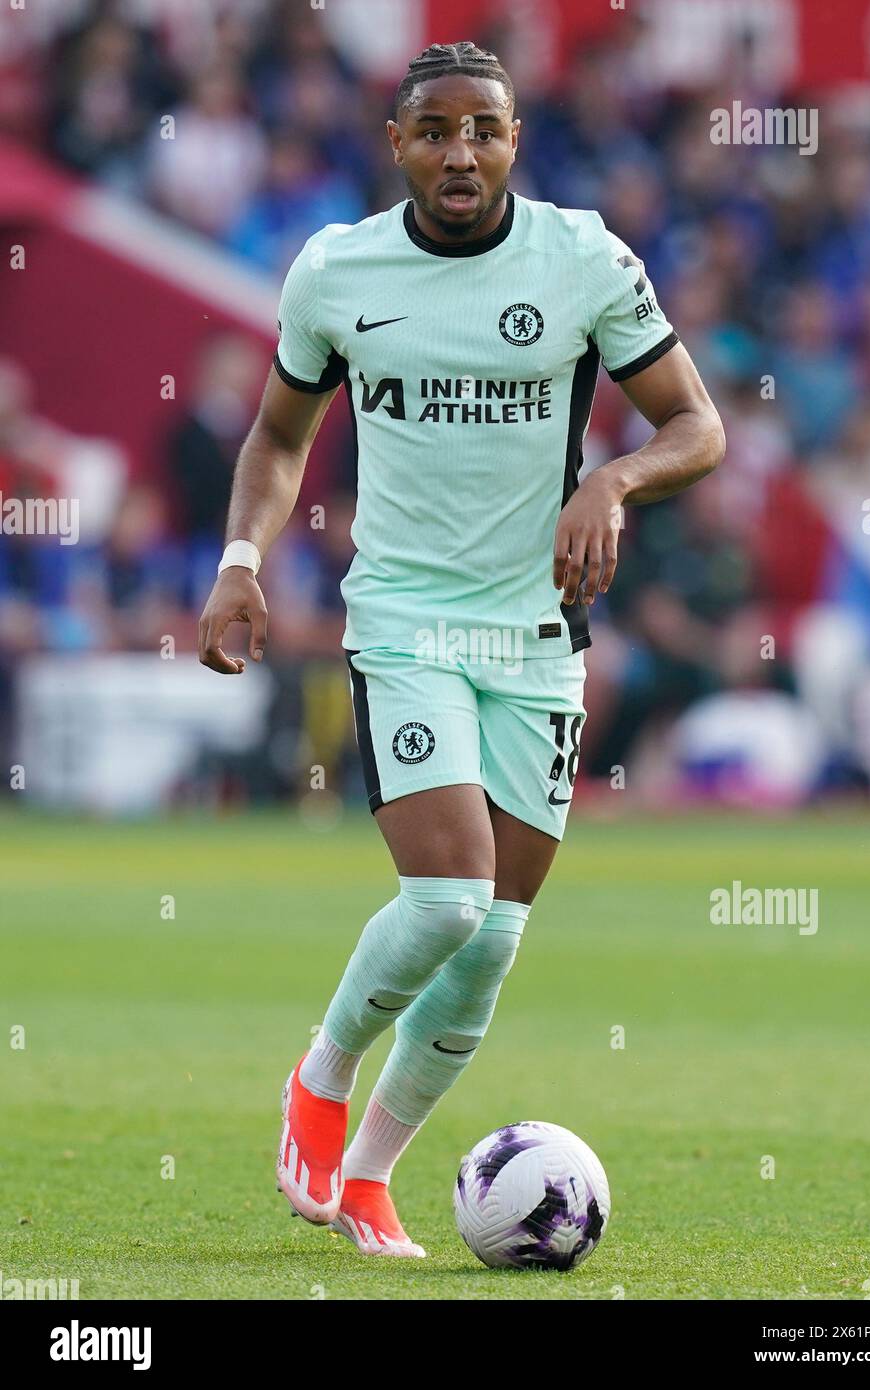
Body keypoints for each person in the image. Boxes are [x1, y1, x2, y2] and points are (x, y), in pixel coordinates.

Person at [197, 40, 724, 1258]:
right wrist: (238, 564)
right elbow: (277, 440)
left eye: (483, 129)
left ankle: (372, 1176)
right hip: (406, 619)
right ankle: (320, 1083)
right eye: (434, 130)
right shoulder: (336, 272)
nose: (460, 153)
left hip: (538, 633)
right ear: (399, 145)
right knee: (444, 897)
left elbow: (696, 425)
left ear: (514, 140)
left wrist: (615, 483)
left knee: (492, 941)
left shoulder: (585, 258)